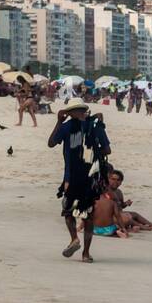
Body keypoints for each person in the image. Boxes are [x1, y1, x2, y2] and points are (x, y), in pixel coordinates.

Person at [49, 99, 97, 262]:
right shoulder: (85, 125)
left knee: (69, 211)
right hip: (86, 173)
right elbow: (98, 119)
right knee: (88, 214)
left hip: (71, 174)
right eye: (81, 111)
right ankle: (86, 253)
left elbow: (51, 143)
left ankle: (74, 239)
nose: (83, 113)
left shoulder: (66, 127)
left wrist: (59, 121)